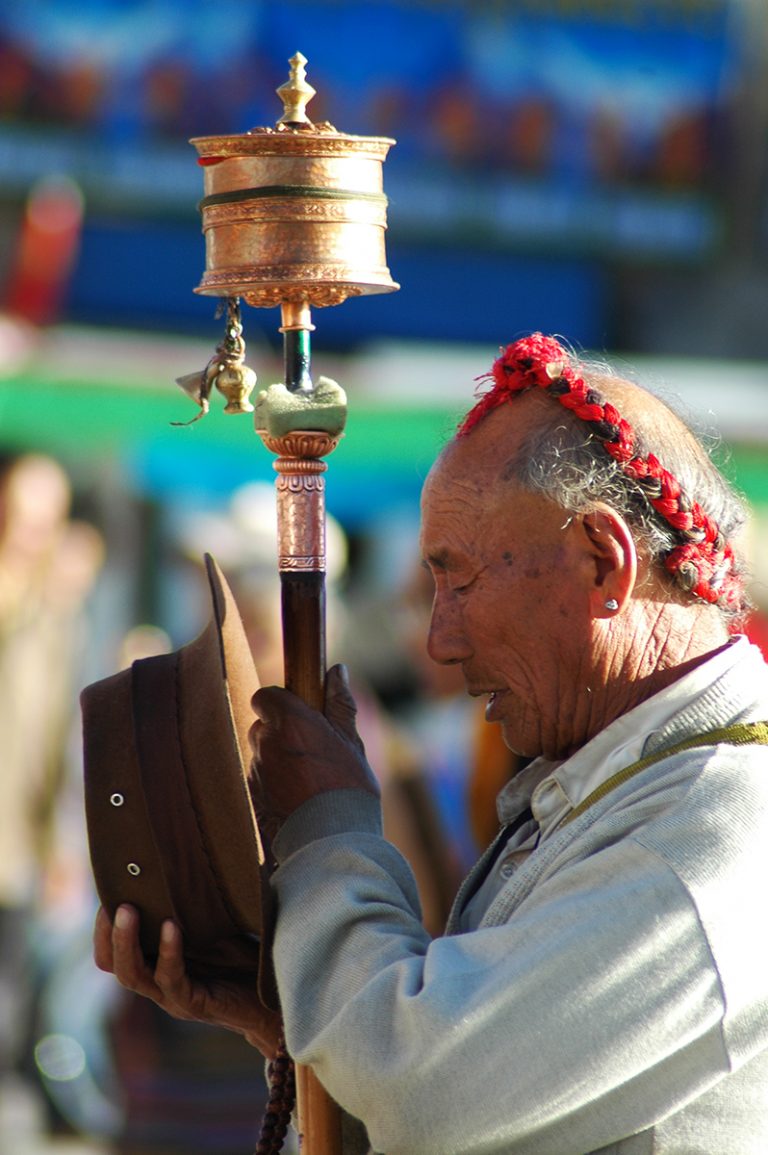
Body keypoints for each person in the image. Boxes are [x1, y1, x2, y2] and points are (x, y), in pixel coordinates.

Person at [94, 332, 768, 1154]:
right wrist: (292, 1016)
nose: (440, 641)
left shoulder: (722, 822)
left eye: (458, 578)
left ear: (603, 562)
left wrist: (329, 830)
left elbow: (423, 1094)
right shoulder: (632, 783)